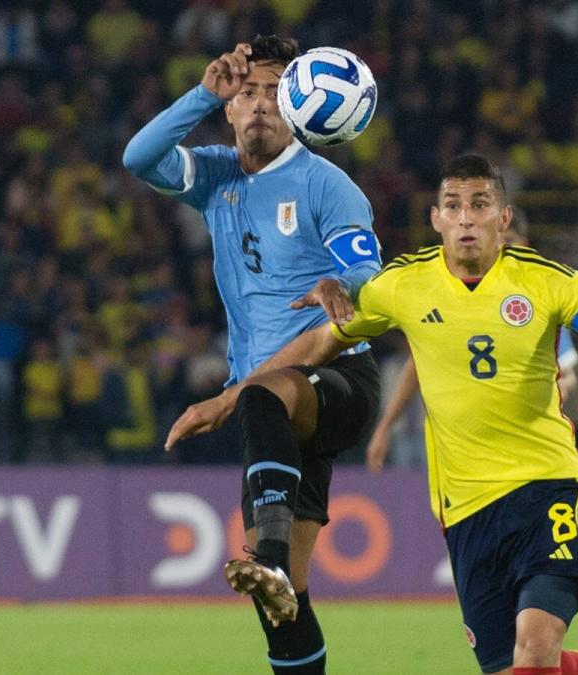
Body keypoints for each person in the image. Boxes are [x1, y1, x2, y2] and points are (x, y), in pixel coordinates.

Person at [172, 155, 578, 675]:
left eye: (480, 205)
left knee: (534, 646)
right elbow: (320, 342)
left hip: (546, 487)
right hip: (466, 511)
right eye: (453, 206)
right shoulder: (405, 286)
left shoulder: (549, 282)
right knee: (515, 667)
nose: (466, 218)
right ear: (436, 219)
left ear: (503, 218)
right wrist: (231, 399)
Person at [125, 36, 383, 675]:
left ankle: (264, 548)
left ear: (297, 106)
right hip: (269, 408)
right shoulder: (214, 176)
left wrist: (340, 285)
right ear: (230, 107)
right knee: (283, 600)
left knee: (266, 396)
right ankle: (274, 569)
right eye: (247, 93)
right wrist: (199, 96)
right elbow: (139, 157)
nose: (260, 105)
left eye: (274, 92)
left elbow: (370, 274)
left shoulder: (327, 185)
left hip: (336, 378)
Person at [364, 210, 578, 473]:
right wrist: (386, 425)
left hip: (524, 442)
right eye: (496, 241)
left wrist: (554, 388)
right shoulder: (455, 296)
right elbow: (418, 364)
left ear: (525, 244)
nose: (502, 249)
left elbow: (566, 374)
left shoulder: (539, 299)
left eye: (509, 242)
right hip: (461, 442)